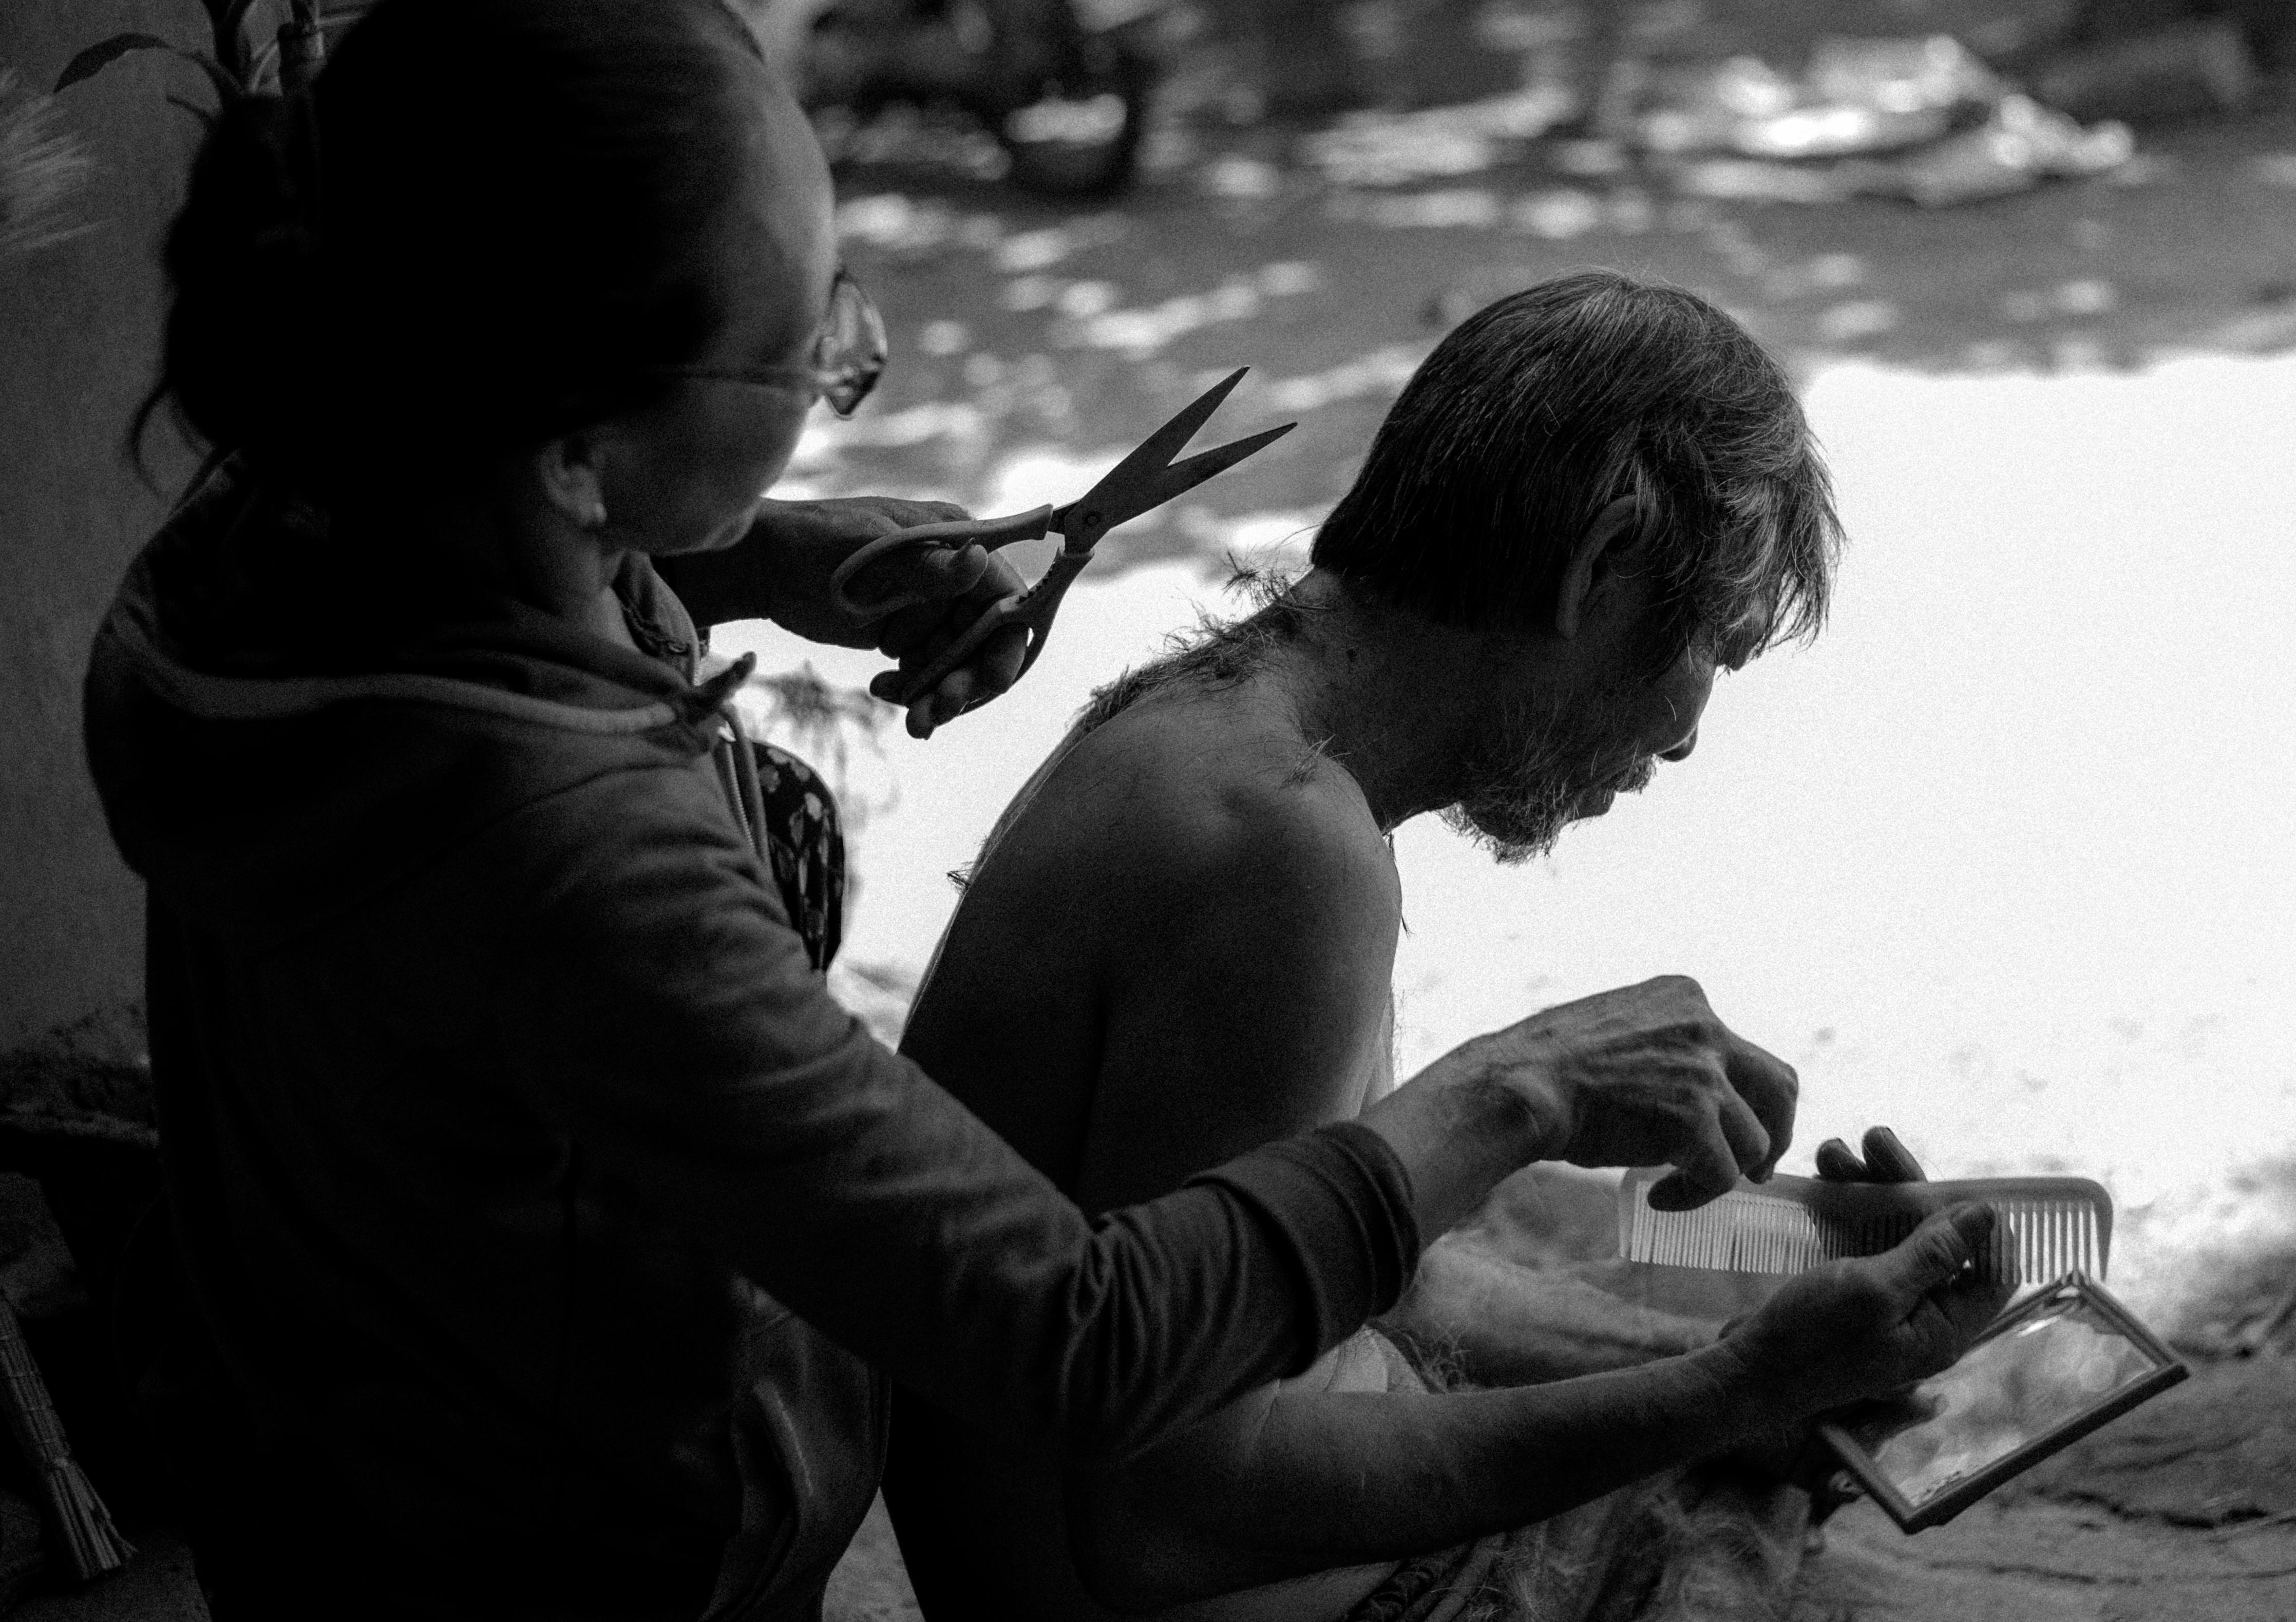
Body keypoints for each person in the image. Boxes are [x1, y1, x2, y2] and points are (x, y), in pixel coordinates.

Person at [79, 7, 1939, 1616]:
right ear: (574, 445)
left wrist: (767, 554)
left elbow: (475, 534)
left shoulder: (249, 572)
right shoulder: (570, 862)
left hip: (359, 1496)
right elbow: (1095, 1346)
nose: (846, 381)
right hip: (566, 1566)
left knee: (1580, 1269)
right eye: (821, 354)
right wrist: (1537, 1113)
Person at [887, 272, 2006, 1620]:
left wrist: (1739, 1369)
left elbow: (1338, 1278)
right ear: (1597, 572)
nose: (1688, 733)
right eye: (1706, 644)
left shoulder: (1222, 733)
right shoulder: (1279, 848)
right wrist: (1720, 1395)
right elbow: (1166, 1521)